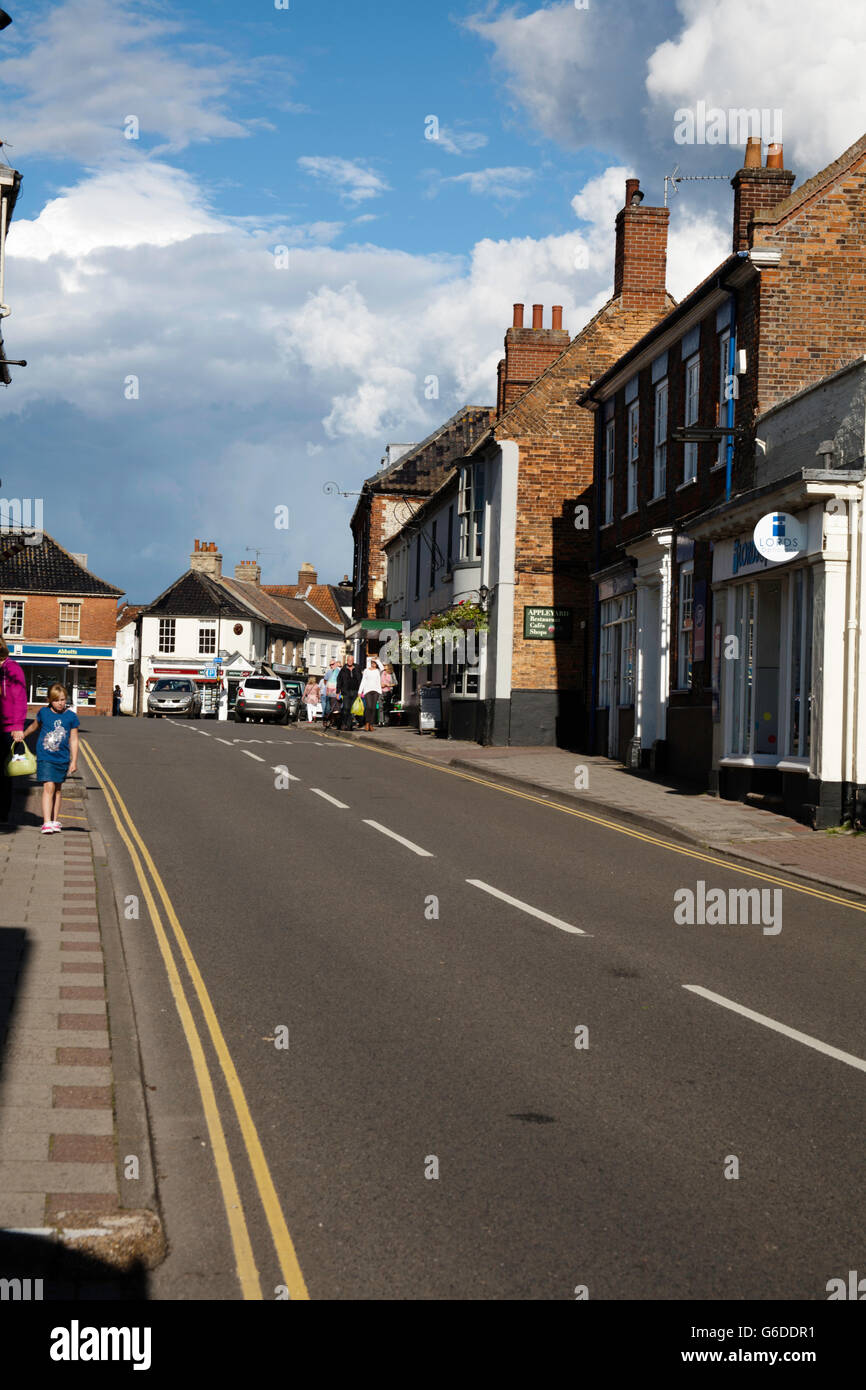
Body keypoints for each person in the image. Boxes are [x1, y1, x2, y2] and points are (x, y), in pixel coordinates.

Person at [22, 682, 79, 833]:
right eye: (56, 700)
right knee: (49, 786)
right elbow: (35, 726)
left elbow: (74, 739)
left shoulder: (71, 717)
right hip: (45, 756)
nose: (60, 703)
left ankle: (54, 820)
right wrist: (24, 734)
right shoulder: (43, 713)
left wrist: (74, 761)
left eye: (62, 699)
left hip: (62, 758)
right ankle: (46, 822)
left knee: (58, 789)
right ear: (49, 700)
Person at [0, 636, 28, 826]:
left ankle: (2, 814)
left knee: (3, 773)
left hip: (7, 728)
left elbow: (19, 698)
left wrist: (18, 726)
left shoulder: (12, 669)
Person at [358, 656, 384, 732]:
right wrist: (360, 691)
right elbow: (363, 681)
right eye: (373, 663)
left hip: (376, 690)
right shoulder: (366, 670)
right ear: (370, 663)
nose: (374, 664)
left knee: (373, 708)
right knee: (368, 707)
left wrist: (377, 660)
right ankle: (367, 723)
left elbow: (382, 668)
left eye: (375, 663)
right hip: (367, 690)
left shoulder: (378, 671)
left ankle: (371, 724)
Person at [337, 655, 362, 730]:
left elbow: (361, 679)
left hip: (355, 691)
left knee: (352, 710)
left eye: (351, 660)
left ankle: (349, 725)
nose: (350, 661)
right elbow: (339, 681)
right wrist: (338, 692)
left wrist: (361, 691)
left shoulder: (357, 668)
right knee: (346, 708)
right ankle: (344, 723)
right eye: (348, 660)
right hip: (346, 692)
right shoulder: (343, 669)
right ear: (347, 660)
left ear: (353, 660)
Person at [321, 659, 340, 725]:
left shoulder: (339, 671)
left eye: (333, 664)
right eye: (330, 665)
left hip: (336, 693)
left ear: (336, 664)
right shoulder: (328, 672)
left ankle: (333, 721)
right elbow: (325, 681)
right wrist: (329, 686)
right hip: (328, 693)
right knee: (327, 708)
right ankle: (325, 720)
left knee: (335, 708)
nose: (331, 666)